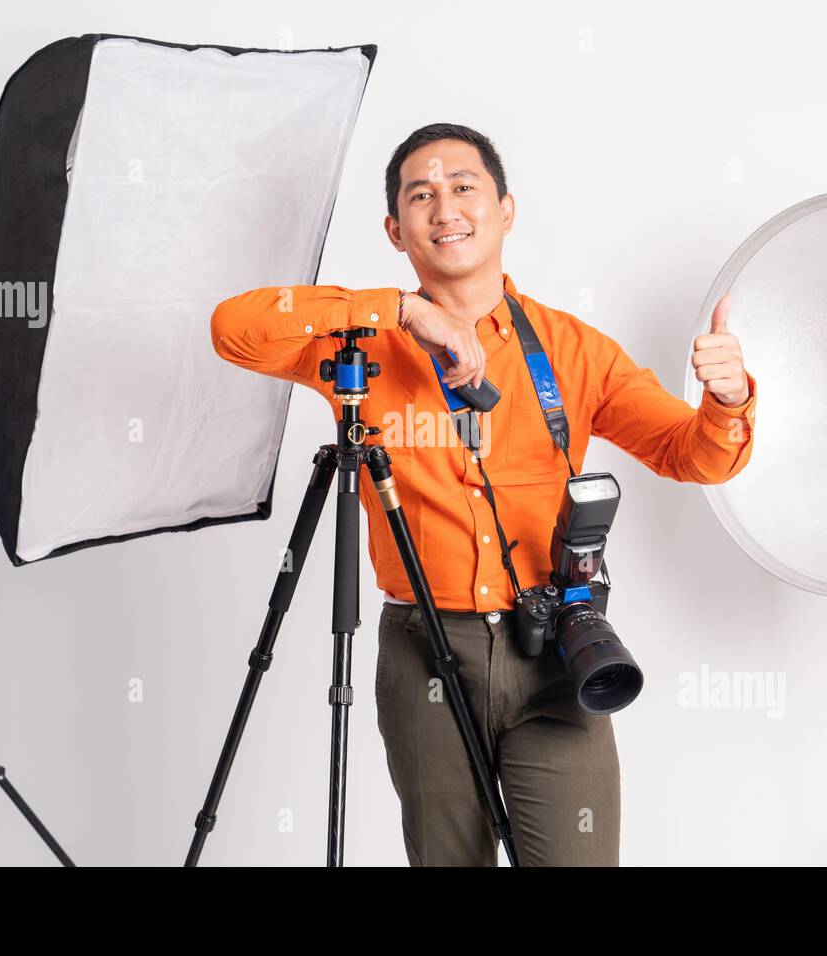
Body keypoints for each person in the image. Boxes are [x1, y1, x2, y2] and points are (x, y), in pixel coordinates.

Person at [211, 123, 756, 866]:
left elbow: (692, 455)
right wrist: (399, 309)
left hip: (558, 651)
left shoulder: (574, 350)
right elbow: (234, 328)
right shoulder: (357, 347)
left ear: (506, 209)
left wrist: (727, 401)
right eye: (421, 196)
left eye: (464, 188)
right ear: (395, 229)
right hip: (423, 653)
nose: (445, 209)